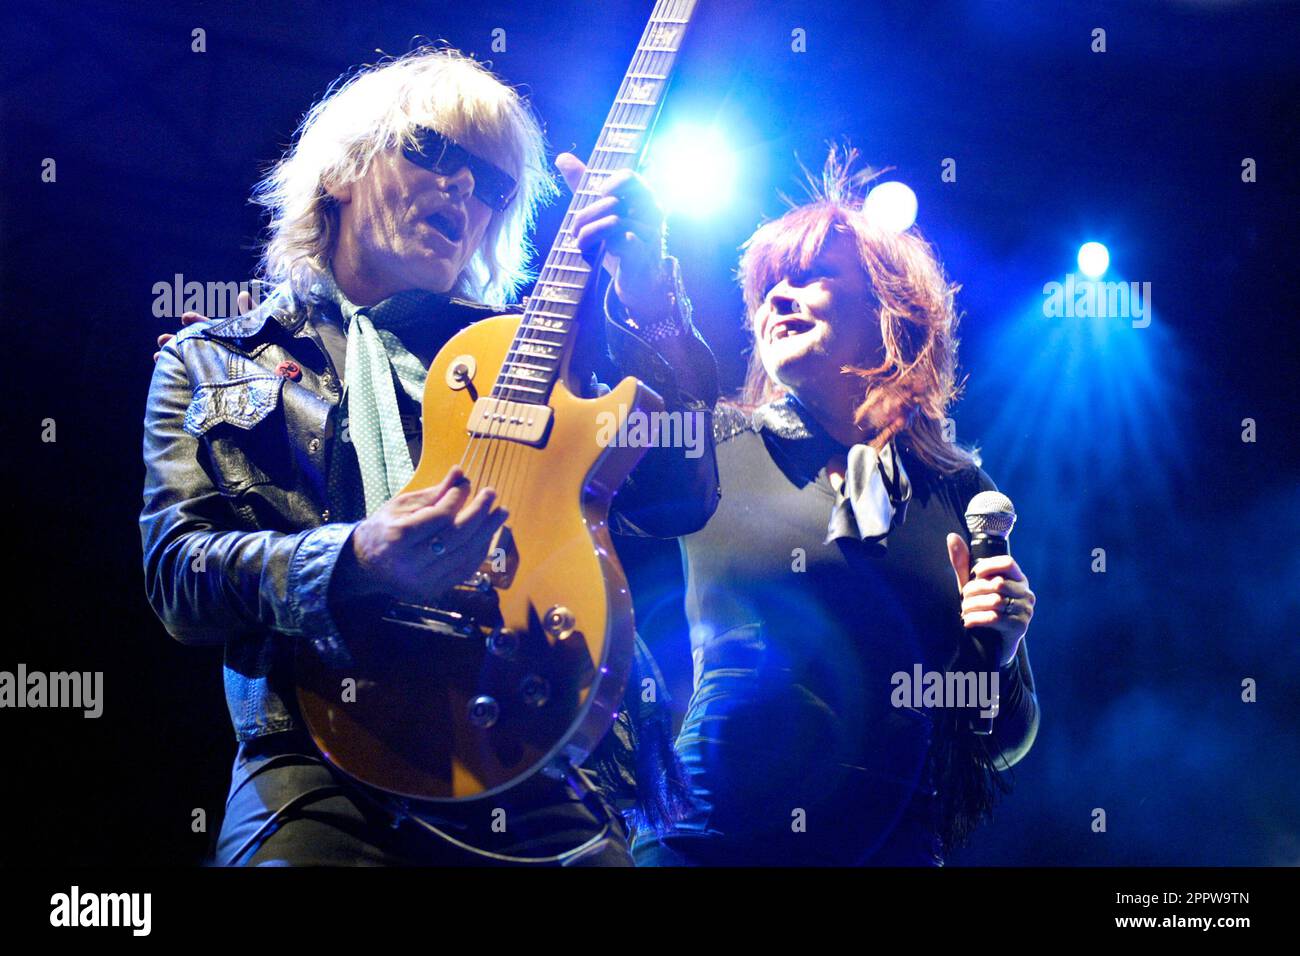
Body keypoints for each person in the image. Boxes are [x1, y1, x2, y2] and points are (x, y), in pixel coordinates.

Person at [141, 45, 719, 866]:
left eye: (493, 187)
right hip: (316, 757)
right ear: (338, 173)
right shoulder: (213, 360)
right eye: (433, 151)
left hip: (529, 741)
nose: (463, 190)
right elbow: (177, 576)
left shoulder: (518, 354)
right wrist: (355, 558)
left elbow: (679, 497)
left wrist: (654, 302)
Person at [630, 148, 1040, 866]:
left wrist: (998, 653)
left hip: (891, 847)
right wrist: (647, 297)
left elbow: (1002, 739)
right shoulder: (715, 445)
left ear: (889, 312)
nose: (777, 298)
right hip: (712, 839)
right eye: (767, 288)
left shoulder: (958, 491)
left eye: (812, 276)